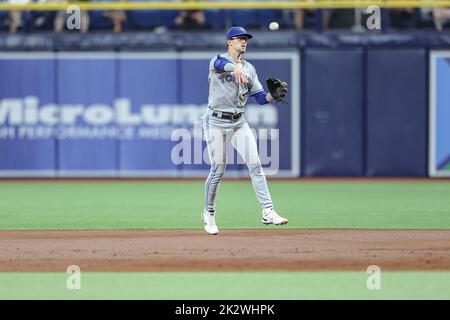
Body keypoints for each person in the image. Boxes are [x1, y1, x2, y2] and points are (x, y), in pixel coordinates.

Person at [201, 26, 289, 235]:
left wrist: (272, 96)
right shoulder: (217, 61)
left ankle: (267, 210)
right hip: (215, 122)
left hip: (239, 123)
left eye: (246, 39)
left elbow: (259, 98)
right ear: (229, 42)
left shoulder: (249, 69)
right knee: (218, 171)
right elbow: (222, 65)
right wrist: (235, 68)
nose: (244, 41)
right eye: (239, 38)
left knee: (256, 164)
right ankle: (209, 213)